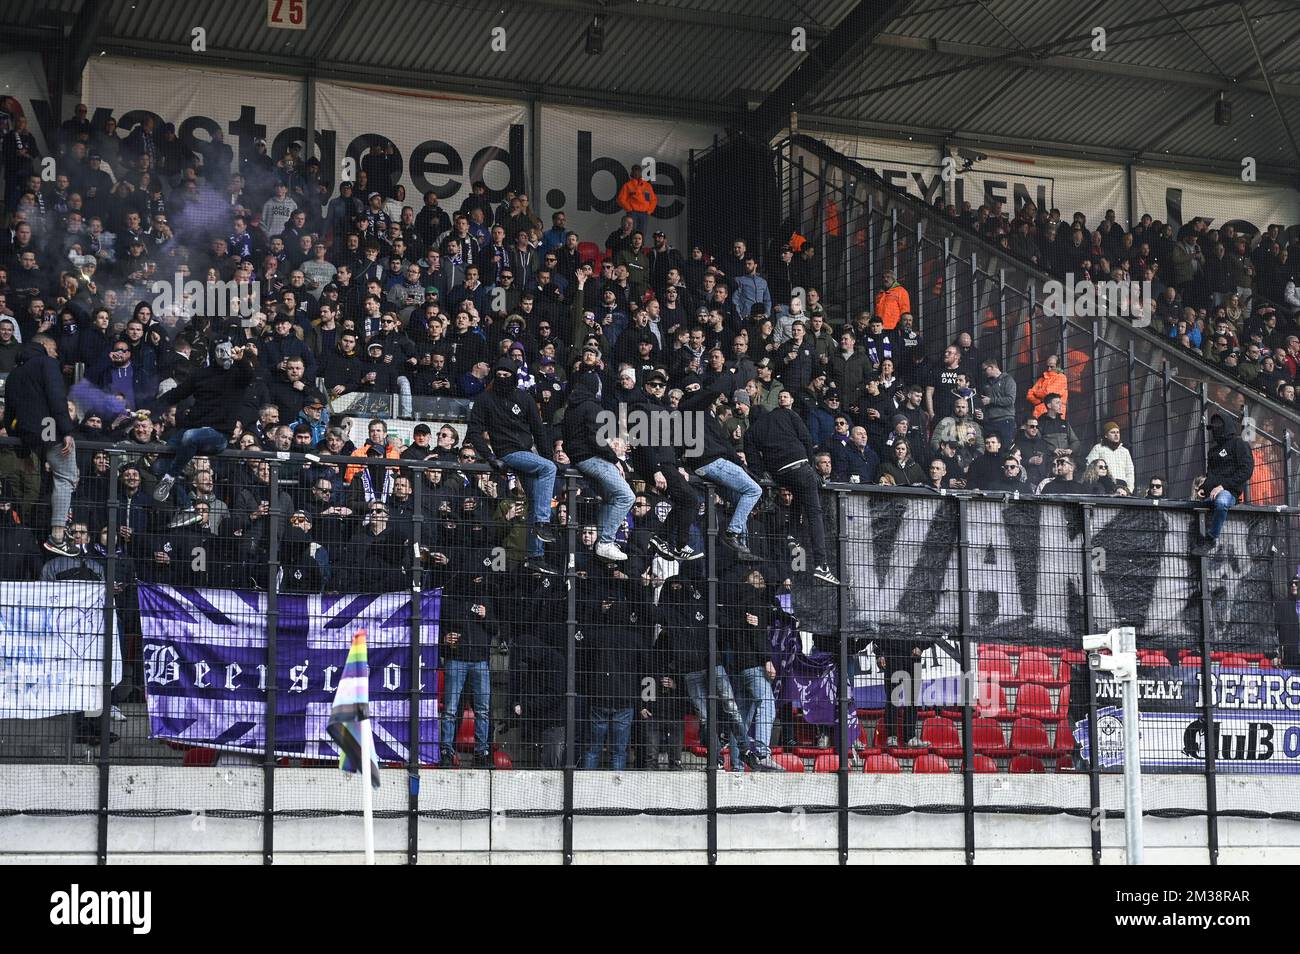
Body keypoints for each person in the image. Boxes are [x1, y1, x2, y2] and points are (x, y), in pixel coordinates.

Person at [465, 357, 558, 573]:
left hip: (527, 454)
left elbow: (539, 431)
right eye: (499, 375)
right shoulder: (484, 399)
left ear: (514, 377)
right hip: (507, 453)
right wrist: (490, 457)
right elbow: (474, 432)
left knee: (535, 499)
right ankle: (543, 523)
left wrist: (547, 456)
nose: (503, 378)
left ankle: (536, 556)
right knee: (549, 469)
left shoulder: (524, 398)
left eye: (507, 375)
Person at [150, 338, 257, 513]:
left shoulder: (238, 373)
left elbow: (248, 375)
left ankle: (170, 478)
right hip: (192, 428)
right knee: (157, 467)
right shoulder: (202, 374)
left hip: (217, 434)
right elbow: (176, 394)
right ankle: (185, 507)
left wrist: (241, 360)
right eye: (220, 351)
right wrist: (149, 408)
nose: (225, 354)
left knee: (188, 439)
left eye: (228, 351)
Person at [744, 388, 839, 584]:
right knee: (814, 513)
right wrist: (811, 466)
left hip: (779, 473)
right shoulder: (785, 413)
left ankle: (792, 535)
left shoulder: (751, 432)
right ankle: (821, 564)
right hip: (800, 466)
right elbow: (806, 438)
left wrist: (769, 472)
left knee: (796, 497)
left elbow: (754, 464)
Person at [4, 334, 80, 554]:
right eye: (54, 348)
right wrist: (66, 430)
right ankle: (57, 536)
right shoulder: (46, 362)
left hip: (27, 435)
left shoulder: (14, 374)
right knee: (67, 477)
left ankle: (54, 525)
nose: (56, 353)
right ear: (44, 346)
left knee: (57, 477)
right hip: (49, 428)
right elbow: (56, 397)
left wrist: (24, 451)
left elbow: (10, 415)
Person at [676, 378, 762, 562]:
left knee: (740, 499)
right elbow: (711, 391)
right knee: (755, 490)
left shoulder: (706, 415)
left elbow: (723, 444)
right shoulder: (689, 408)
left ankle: (742, 548)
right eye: (690, 388)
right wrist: (729, 375)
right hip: (712, 462)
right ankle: (732, 534)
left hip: (711, 463)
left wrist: (740, 465)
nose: (694, 390)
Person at [562, 372, 634, 562]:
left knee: (611, 497)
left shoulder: (570, 409)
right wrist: (615, 459)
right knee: (627, 496)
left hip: (578, 460)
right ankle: (606, 542)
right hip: (592, 459)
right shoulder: (592, 407)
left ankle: (601, 542)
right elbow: (597, 439)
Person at [1193, 413, 1254, 555]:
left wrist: (1223, 486)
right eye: (1212, 428)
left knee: (1221, 502)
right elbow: (1211, 476)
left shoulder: (1239, 444)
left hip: (1230, 492)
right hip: (1213, 492)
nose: (1215, 431)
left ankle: (1211, 538)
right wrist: (1204, 488)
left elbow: (1246, 470)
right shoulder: (1213, 451)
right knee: (1193, 505)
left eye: (1217, 427)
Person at [1085, 421, 1136, 492]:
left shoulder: (1125, 451)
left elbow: (1130, 472)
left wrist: (1129, 490)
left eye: (1118, 432)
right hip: (1104, 485)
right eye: (1112, 432)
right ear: (1106, 435)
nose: (1116, 435)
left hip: (1122, 486)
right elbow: (1090, 466)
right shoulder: (1098, 448)